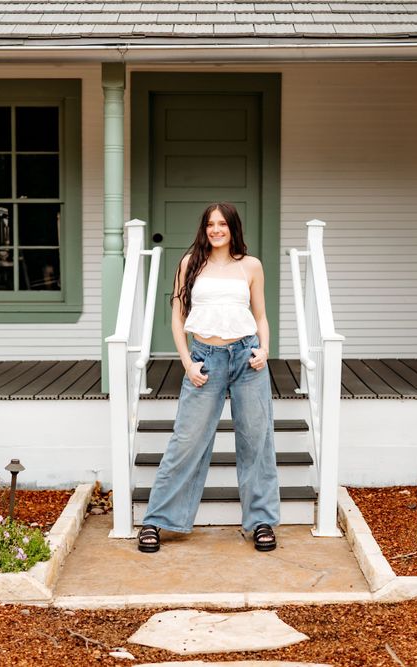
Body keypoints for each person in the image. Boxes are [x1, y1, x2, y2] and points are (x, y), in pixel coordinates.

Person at [138, 202, 280, 553]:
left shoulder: (251, 265)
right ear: (204, 229)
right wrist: (187, 362)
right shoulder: (190, 263)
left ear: (233, 228)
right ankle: (157, 520)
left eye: (222, 224)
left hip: (247, 359)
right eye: (210, 224)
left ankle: (261, 521)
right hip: (205, 359)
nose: (216, 230)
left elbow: (261, 316)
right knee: (187, 440)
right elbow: (177, 317)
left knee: (256, 441)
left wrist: (264, 350)